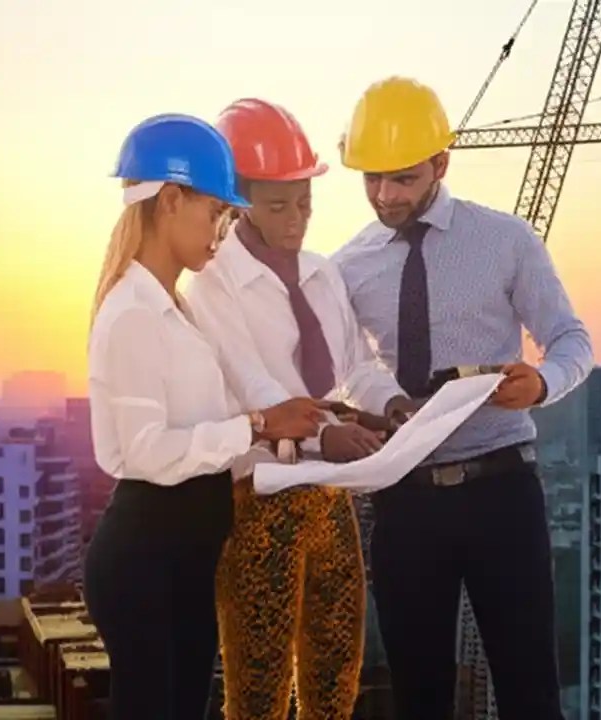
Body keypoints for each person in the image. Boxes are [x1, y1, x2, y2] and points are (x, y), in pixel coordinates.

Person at [332, 77, 594, 720]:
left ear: (441, 165)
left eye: (402, 178)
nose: (385, 195)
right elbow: (349, 366)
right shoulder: (347, 266)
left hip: (501, 493)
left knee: (530, 691)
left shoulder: (505, 240)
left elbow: (571, 339)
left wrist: (542, 382)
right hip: (405, 501)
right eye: (372, 179)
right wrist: (390, 404)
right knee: (418, 696)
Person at [83, 113, 325, 719]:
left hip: (183, 559)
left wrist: (291, 423)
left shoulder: (175, 307)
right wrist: (259, 426)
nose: (224, 230)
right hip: (146, 560)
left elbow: (204, 429)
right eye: (217, 211)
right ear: (170, 199)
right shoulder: (134, 313)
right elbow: (148, 452)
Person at [185, 98, 418, 720]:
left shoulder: (322, 275)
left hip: (331, 498)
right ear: (238, 201)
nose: (296, 221)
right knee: (258, 688)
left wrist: (392, 405)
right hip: (258, 502)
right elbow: (252, 384)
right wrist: (324, 434)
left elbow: (356, 366)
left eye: (305, 203)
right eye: (278, 206)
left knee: (335, 677)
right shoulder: (212, 284)